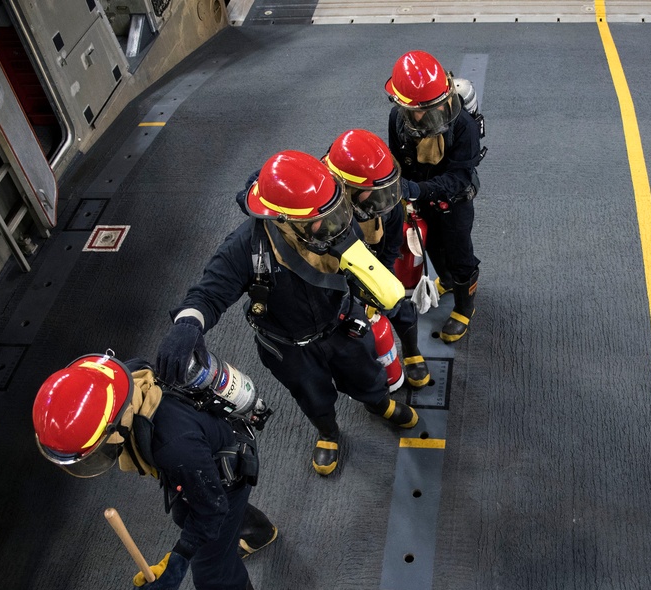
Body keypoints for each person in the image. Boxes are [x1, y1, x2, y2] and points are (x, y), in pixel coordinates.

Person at [157, 150, 419, 476]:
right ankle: (328, 432)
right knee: (312, 394)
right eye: (319, 222)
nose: (335, 225)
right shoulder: (246, 246)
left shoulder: (330, 214)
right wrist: (187, 325)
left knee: (366, 371)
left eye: (336, 211)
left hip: (340, 322)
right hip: (287, 345)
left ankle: (379, 403)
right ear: (283, 220)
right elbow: (208, 294)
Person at [32, 352, 276, 590]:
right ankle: (258, 532)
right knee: (186, 513)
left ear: (114, 428)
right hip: (207, 453)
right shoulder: (123, 382)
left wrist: (178, 559)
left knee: (211, 573)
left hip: (225, 470)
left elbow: (212, 509)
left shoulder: (174, 446)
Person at [385, 50, 484, 343]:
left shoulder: (463, 125)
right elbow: (397, 160)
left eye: (437, 105)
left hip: (454, 202)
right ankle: (449, 280)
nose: (433, 113)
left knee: (459, 253)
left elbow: (460, 177)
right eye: (421, 110)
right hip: (419, 200)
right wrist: (403, 193)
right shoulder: (397, 119)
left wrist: (418, 190)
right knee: (431, 246)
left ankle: (465, 307)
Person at [323, 128, 430, 388]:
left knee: (399, 306)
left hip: (373, 261)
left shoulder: (384, 198)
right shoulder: (322, 206)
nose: (384, 199)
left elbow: (391, 244)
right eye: (373, 192)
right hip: (336, 272)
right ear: (346, 187)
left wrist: (382, 276)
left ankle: (412, 349)